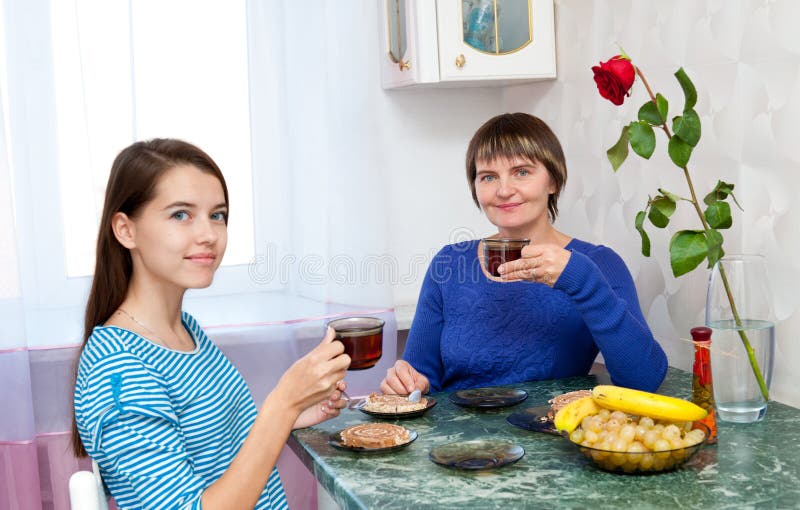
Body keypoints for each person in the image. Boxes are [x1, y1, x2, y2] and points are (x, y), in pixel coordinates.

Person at [72, 139, 350, 509]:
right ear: (126, 230)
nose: (208, 234)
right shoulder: (119, 368)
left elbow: (215, 444)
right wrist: (281, 404)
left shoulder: (184, 330)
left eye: (216, 215)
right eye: (181, 215)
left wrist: (295, 413)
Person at [381, 113, 667, 396]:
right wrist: (406, 384)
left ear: (552, 181)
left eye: (522, 172)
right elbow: (421, 378)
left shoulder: (598, 265)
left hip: (552, 434)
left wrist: (582, 280)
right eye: (489, 177)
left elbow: (644, 380)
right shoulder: (449, 263)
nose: (504, 190)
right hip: (461, 441)